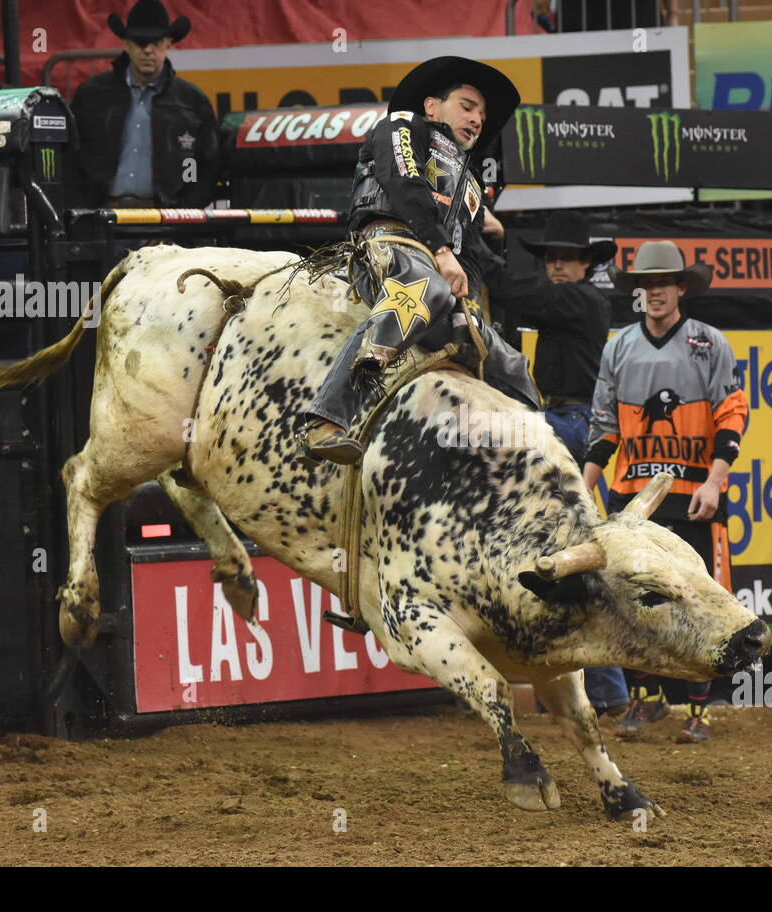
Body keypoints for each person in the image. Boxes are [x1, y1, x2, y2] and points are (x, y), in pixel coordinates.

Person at [297, 56, 541, 467]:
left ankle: (532, 460)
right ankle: (325, 421)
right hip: (387, 244)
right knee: (423, 288)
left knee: (512, 364)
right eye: (467, 106)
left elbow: (471, 256)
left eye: (482, 114)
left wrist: (469, 308)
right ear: (432, 106)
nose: (478, 119)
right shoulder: (402, 127)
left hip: (442, 278)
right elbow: (404, 182)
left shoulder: (473, 183)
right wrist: (443, 253)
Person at [583, 240, 747, 743]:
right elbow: (604, 425)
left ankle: (700, 709)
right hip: (632, 500)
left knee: (699, 599)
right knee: (630, 601)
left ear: (681, 288)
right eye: (646, 285)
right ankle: (645, 698)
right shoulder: (619, 346)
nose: (654, 293)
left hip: (692, 494)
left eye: (663, 284)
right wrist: (583, 484)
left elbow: (732, 415)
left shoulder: (709, 343)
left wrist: (715, 481)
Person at [480, 210, 627, 716]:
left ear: (587, 264)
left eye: (568, 259)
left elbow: (514, 294)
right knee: (575, 557)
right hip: (561, 421)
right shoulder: (575, 300)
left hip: (568, 423)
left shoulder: (581, 300)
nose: (559, 266)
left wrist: (486, 248)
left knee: (574, 553)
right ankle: (600, 691)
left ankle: (603, 691)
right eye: (553, 259)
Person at [68, 0, 219, 209]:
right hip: (101, 220)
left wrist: (180, 214)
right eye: (140, 42)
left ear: (168, 44)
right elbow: (70, 156)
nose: (147, 50)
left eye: (156, 42)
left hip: (165, 222)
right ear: (126, 45)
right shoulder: (91, 95)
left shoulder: (192, 101)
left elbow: (202, 165)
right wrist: (84, 208)